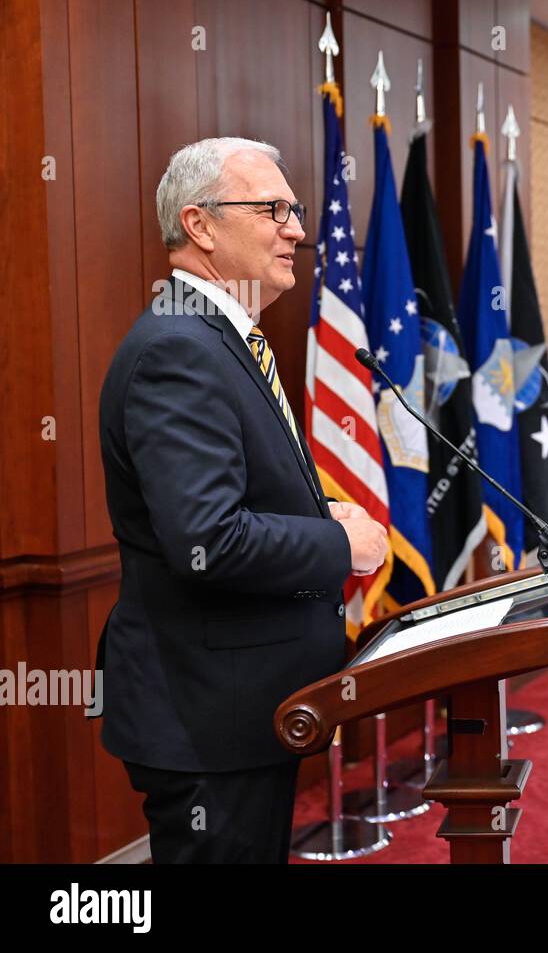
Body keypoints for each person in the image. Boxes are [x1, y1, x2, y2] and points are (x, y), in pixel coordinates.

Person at [96, 138, 390, 863]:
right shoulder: (179, 349)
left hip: (240, 702)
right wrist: (341, 546)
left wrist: (323, 517)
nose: (297, 228)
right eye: (274, 210)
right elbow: (209, 540)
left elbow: (237, 496)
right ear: (200, 225)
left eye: (293, 210)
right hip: (206, 712)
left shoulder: (222, 338)